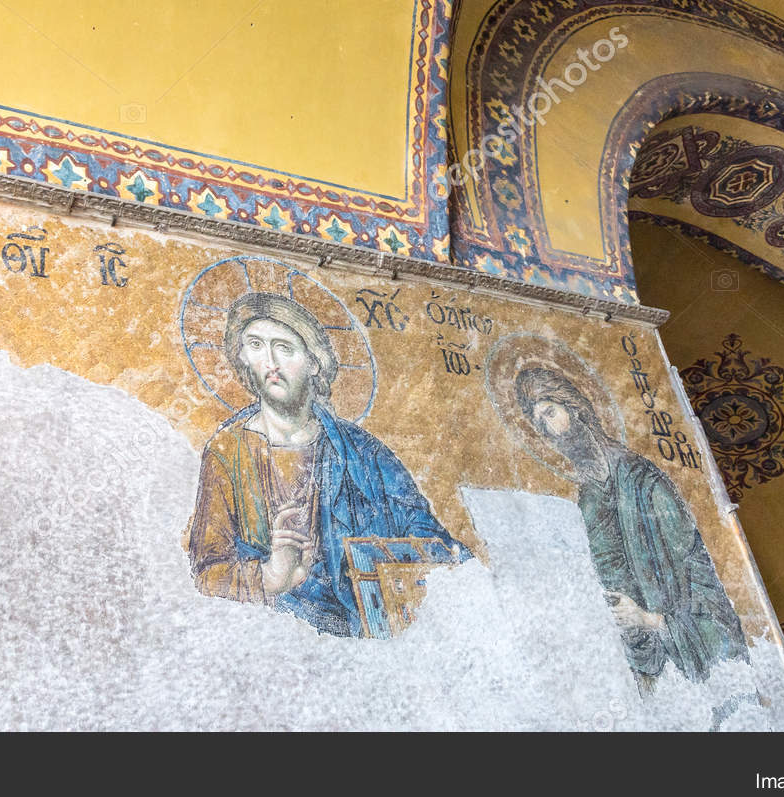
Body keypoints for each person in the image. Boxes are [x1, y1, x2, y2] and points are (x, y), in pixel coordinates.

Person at [186, 291, 466, 636]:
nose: (270, 362)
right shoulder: (227, 452)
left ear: (314, 361)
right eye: (256, 346)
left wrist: (365, 561)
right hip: (271, 637)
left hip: (366, 637)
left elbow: (436, 545)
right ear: (243, 358)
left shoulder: (365, 454)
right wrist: (273, 576)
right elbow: (205, 574)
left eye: (284, 348)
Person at [514, 366, 747, 685]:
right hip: (639, 659)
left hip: (687, 654)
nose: (550, 431)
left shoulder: (646, 484)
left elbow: (705, 583)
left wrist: (651, 620)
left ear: (576, 409)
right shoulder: (588, 498)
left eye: (551, 413)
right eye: (540, 424)